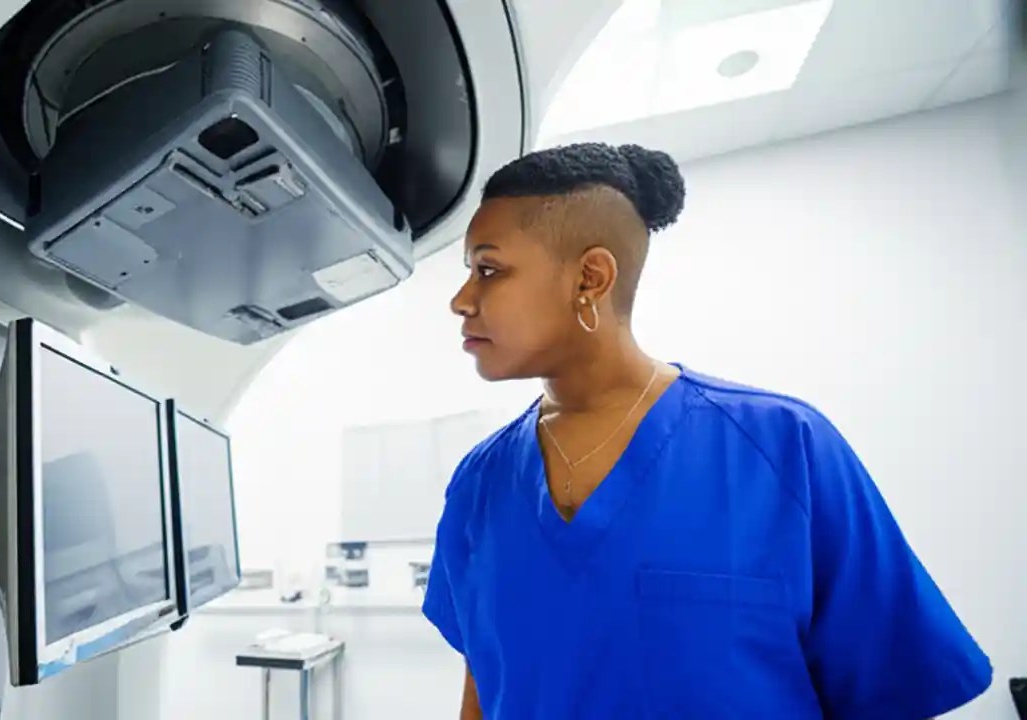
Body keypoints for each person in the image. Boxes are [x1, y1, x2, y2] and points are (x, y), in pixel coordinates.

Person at [424, 142, 992, 719]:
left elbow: (889, 694)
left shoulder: (783, 448)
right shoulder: (480, 482)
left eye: (488, 269)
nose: (461, 299)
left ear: (590, 279)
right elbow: (484, 683)